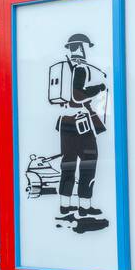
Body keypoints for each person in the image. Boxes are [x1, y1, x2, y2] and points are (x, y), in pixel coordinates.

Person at [54, 34, 106, 220]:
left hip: (65, 123)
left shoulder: (66, 68)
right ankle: (84, 206)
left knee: (68, 165)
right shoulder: (81, 68)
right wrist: (97, 88)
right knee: (88, 163)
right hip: (80, 124)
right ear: (83, 48)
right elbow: (77, 95)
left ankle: (64, 205)